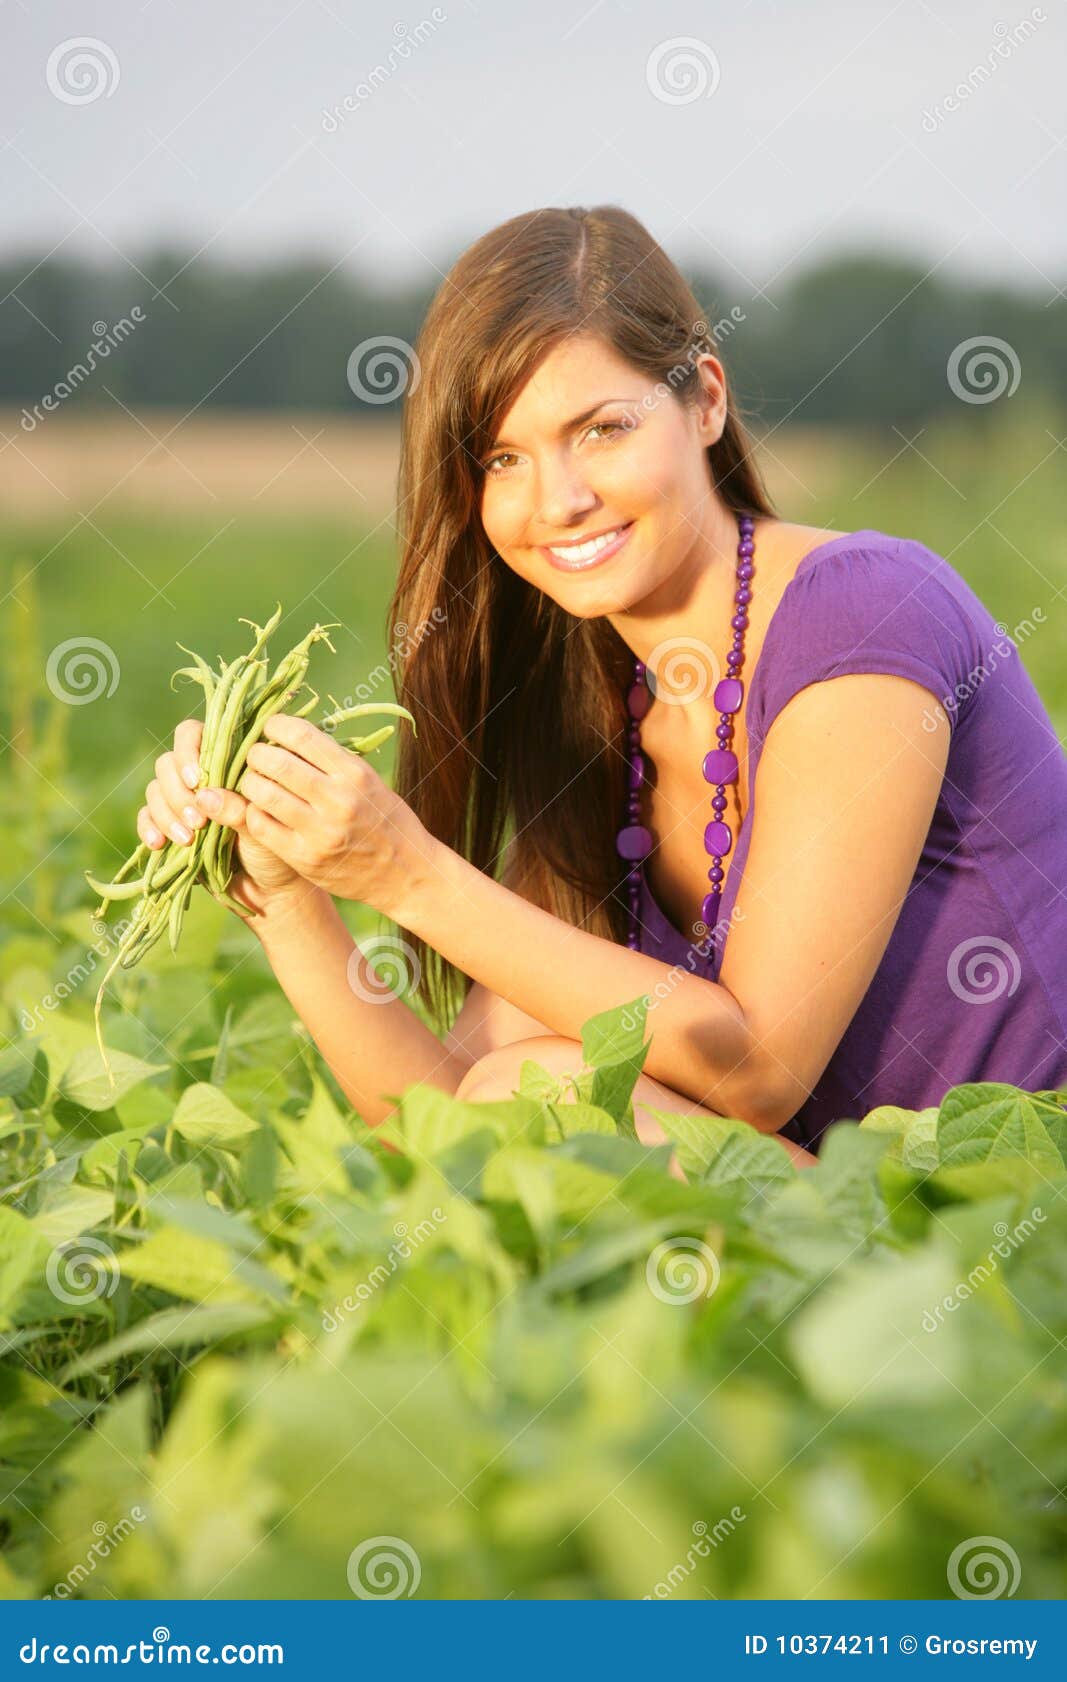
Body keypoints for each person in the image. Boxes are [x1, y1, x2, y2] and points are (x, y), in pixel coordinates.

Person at [138, 205, 1067, 1166]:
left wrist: (406, 871)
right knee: (516, 1096)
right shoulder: (592, 716)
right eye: (502, 458)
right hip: (852, 1237)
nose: (558, 501)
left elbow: (754, 1069)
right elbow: (445, 1120)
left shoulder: (863, 614)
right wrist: (288, 897)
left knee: (541, 1094)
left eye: (601, 429)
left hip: (1017, 1222)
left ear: (704, 401)